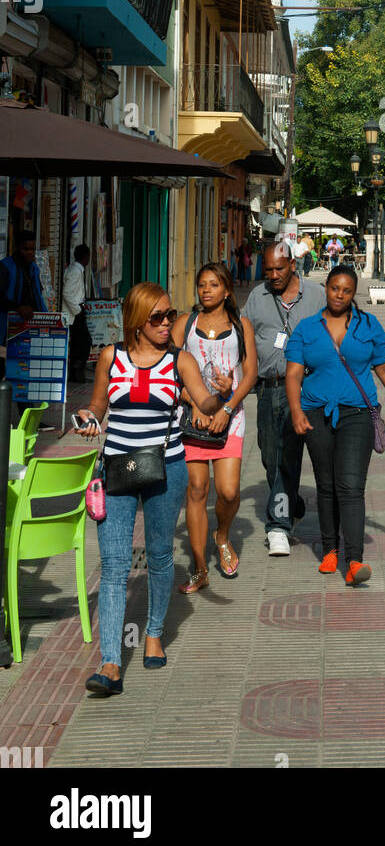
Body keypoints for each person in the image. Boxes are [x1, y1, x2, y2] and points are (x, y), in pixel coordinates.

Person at [72, 283, 220, 694]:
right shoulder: (111, 357)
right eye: (157, 317)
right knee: (116, 566)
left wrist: (220, 394)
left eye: (170, 315)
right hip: (116, 469)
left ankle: (153, 633)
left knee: (157, 555)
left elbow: (204, 403)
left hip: (167, 468)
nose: (166, 323)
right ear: (137, 322)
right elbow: (100, 405)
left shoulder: (179, 360)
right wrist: (87, 414)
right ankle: (110, 664)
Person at [285, 265, 385, 585]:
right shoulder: (307, 328)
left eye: (346, 290)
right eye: (334, 289)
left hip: (358, 413)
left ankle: (355, 560)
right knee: (326, 484)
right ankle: (330, 549)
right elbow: (293, 373)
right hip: (315, 412)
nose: (340, 295)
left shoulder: (367, 325)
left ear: (353, 292)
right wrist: (295, 411)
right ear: (326, 289)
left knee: (350, 485)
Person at [171, 263, 258, 591]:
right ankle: (198, 567)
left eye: (212, 285)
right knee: (196, 490)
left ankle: (221, 536)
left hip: (230, 416)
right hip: (192, 417)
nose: (205, 290)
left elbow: (249, 373)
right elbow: (170, 369)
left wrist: (226, 406)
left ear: (226, 291)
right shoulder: (185, 324)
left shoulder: (241, 325)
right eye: (201, 285)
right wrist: (193, 401)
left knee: (229, 491)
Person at [242, 240, 325, 554]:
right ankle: (293, 501)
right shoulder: (257, 297)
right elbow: (244, 339)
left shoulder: (316, 296)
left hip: (310, 390)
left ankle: (278, 525)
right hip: (270, 389)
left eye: (279, 268)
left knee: (296, 456)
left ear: (293, 265)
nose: (273, 275)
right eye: (268, 270)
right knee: (272, 458)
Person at [0, 229, 45, 347]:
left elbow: (38, 295)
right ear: (16, 247)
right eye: (25, 249)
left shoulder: (34, 268)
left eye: (32, 249)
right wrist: (18, 307)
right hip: (7, 328)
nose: (30, 253)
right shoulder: (5, 266)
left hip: (30, 328)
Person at [62, 243, 92, 383]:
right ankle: (77, 372)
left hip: (77, 310)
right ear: (86, 257)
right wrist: (78, 310)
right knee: (84, 342)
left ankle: (77, 373)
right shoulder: (75, 270)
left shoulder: (75, 269)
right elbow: (67, 293)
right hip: (75, 312)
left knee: (78, 342)